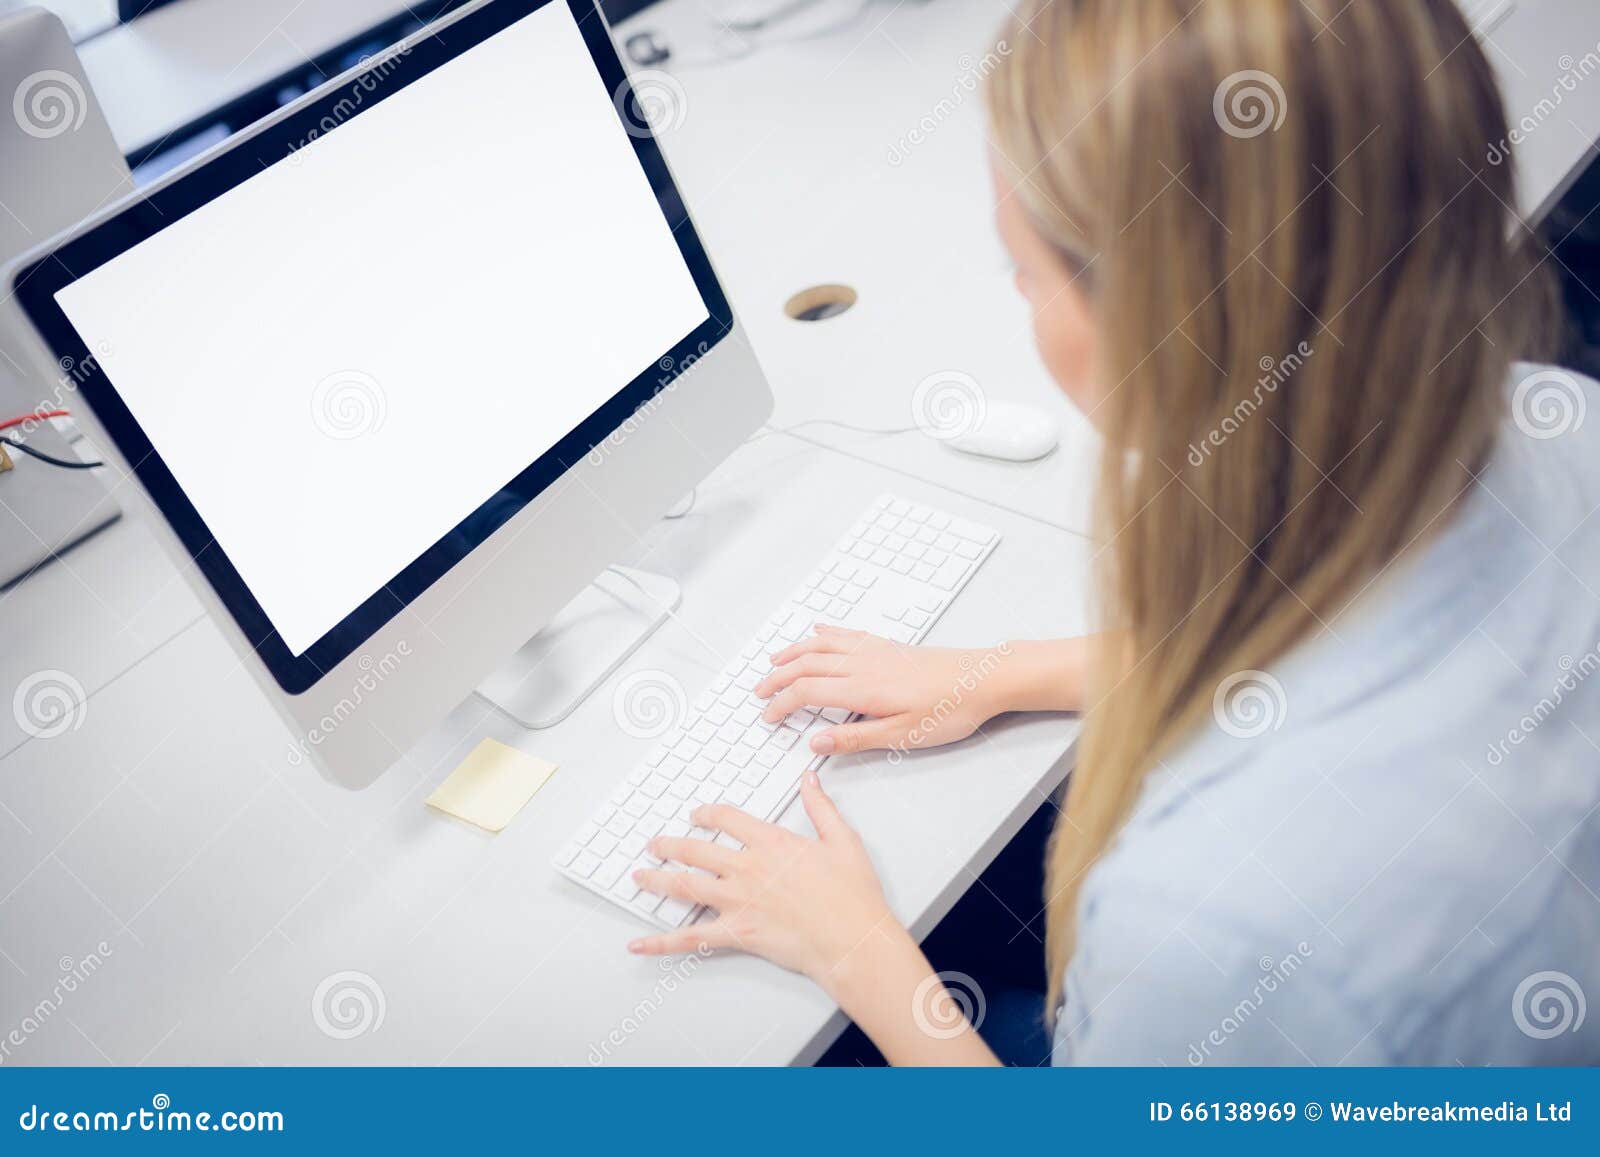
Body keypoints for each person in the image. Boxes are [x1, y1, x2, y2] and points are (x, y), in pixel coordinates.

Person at [630, 0, 1600, 1065]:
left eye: (1024, 270)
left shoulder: (1220, 926)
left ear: (1149, 327)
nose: (1018, 298)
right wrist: (1005, 669)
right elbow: (1344, 628)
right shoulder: (1549, 420)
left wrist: (855, 944)